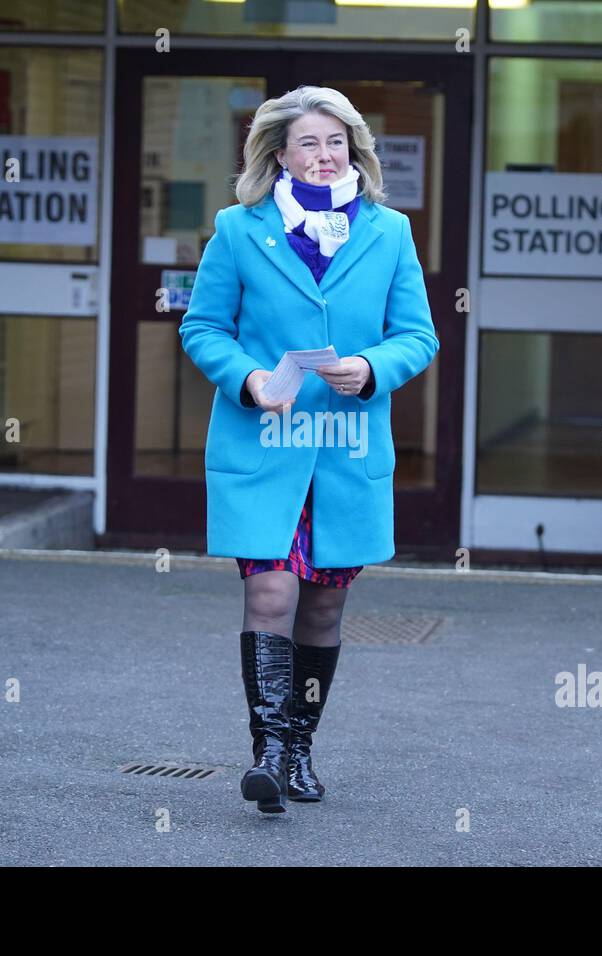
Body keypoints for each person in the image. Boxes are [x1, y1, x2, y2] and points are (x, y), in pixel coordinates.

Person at [178, 85, 438, 813]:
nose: (324, 157)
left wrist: (373, 369)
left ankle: (298, 750)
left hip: (347, 450)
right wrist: (250, 377)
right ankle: (265, 753)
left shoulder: (389, 232)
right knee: (269, 592)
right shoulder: (238, 230)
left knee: (322, 612)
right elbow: (203, 328)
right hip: (265, 446)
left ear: (354, 150)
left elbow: (418, 335)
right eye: (308, 145)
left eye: (336, 143)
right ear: (279, 155)